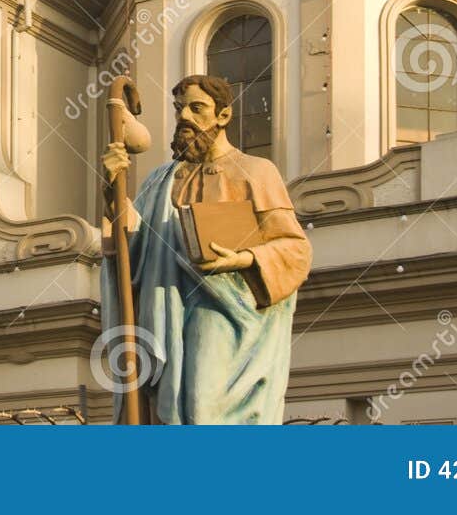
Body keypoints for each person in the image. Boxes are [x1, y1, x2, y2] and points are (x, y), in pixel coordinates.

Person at [101, 74, 311, 423]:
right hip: (165, 306)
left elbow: (295, 249)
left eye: (197, 108)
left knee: (202, 404)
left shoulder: (255, 171)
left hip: (225, 309)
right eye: (179, 109)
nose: (185, 117)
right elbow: (132, 246)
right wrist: (112, 188)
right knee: (167, 410)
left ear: (223, 116)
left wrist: (244, 259)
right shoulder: (159, 179)